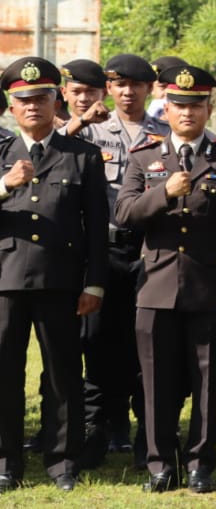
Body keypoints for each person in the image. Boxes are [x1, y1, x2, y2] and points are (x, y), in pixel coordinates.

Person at [115, 64, 216, 494]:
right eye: (179, 105)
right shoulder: (144, 159)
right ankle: (160, 463)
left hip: (208, 288)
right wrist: (163, 193)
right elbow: (123, 214)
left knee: (208, 384)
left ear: (208, 109)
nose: (187, 113)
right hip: (155, 288)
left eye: (196, 106)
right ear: (167, 108)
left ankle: (200, 464)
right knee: (156, 382)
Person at [0, 57, 108, 492]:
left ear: (56, 100)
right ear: (10, 106)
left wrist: (95, 281)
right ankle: (6, 462)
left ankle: (63, 462)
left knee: (63, 375)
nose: (32, 106)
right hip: (5, 281)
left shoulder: (82, 155)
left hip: (62, 282)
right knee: (4, 375)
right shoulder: (3, 154)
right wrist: (6, 184)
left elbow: (97, 225)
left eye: (41, 97)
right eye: (23, 99)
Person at [70, 53, 168, 467]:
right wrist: (78, 123)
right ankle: (98, 430)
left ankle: (148, 433)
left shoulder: (166, 131)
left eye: (136, 85)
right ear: (108, 88)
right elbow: (55, 156)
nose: (127, 92)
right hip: (102, 252)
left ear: (150, 89)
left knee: (147, 344)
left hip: (152, 253)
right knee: (97, 342)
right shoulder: (90, 132)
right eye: (119, 85)